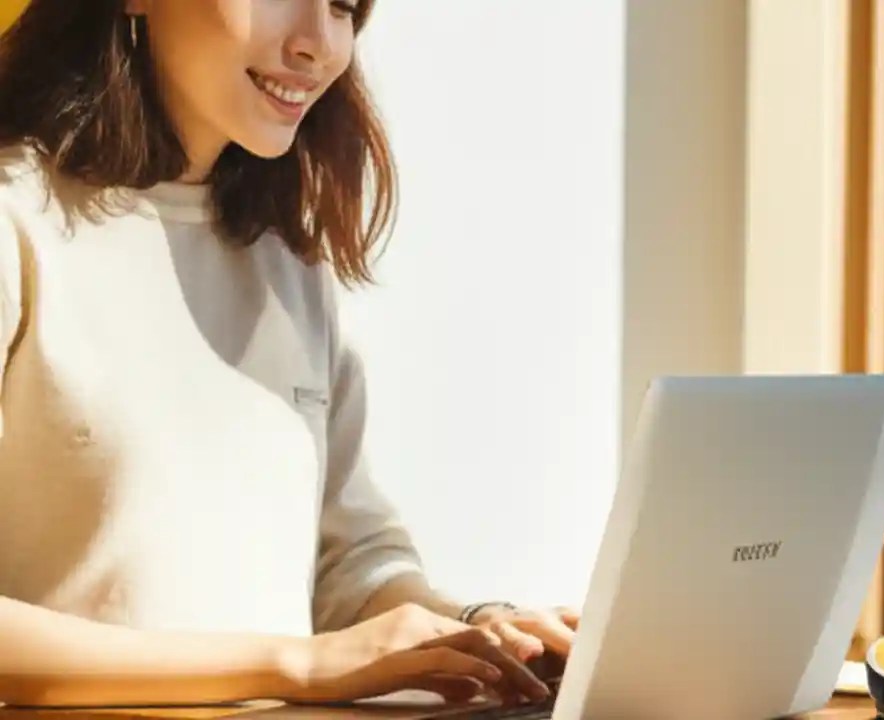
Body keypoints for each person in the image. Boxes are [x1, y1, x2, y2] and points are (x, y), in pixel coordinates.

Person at [0, 0, 578, 709]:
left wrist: (480, 633)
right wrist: (293, 665)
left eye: (343, 7)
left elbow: (351, 564)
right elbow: (313, 657)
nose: (316, 44)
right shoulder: (15, 225)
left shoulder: (286, 261)